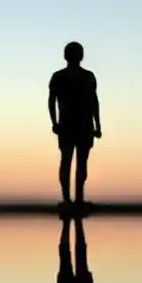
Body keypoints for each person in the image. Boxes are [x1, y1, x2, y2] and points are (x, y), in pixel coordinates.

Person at [48, 41, 102, 209]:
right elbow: (94, 102)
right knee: (77, 162)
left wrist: (54, 122)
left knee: (69, 161)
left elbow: (94, 101)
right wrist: (97, 125)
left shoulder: (63, 76)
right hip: (76, 126)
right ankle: (73, 199)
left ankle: (71, 200)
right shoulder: (85, 76)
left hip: (74, 126)